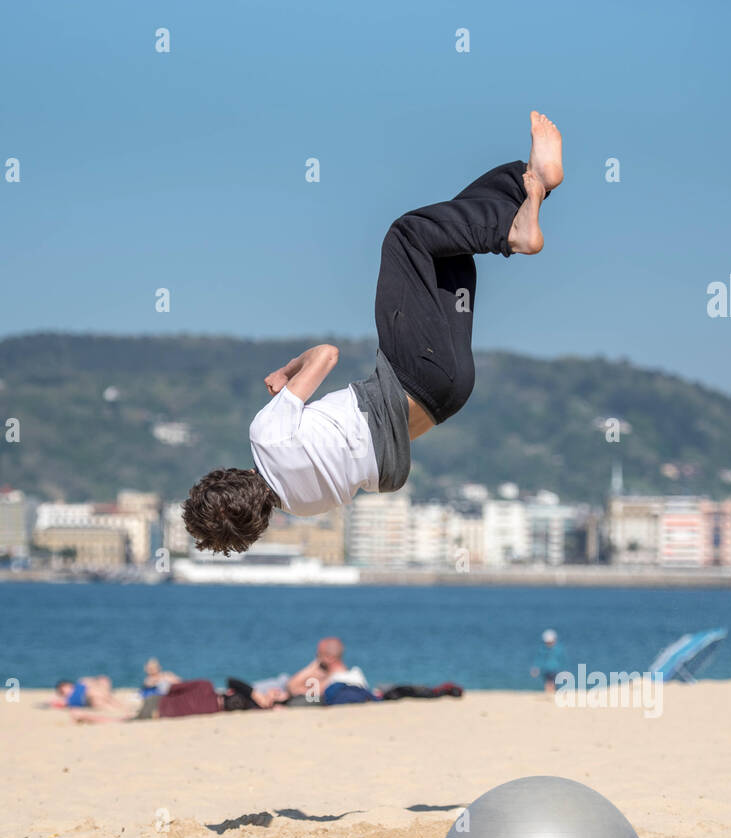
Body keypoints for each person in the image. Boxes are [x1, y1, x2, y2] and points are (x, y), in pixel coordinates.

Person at [182, 111, 564, 552]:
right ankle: (517, 227)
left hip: (451, 392)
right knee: (406, 237)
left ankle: (531, 184)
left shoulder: (306, 506)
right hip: (414, 371)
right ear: (224, 476)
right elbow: (327, 354)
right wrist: (287, 371)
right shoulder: (264, 436)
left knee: (450, 253)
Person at [285, 637, 367, 702]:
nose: (317, 658)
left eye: (318, 655)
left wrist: (312, 667)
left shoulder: (335, 680)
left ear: (329, 657)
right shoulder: (356, 673)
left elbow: (292, 687)